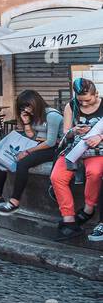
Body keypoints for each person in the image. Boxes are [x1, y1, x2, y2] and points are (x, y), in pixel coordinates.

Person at [0, 90, 62, 214]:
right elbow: (31, 136)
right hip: (38, 145)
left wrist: (27, 151)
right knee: (2, 156)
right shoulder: (33, 115)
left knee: (22, 163)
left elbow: (50, 142)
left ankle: (15, 201)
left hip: (55, 148)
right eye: (23, 107)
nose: (26, 109)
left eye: (28, 106)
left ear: (36, 102)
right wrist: (26, 122)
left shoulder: (52, 116)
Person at [51, 78, 103, 240]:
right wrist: (74, 131)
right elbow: (65, 133)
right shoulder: (71, 106)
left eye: (88, 100)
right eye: (81, 101)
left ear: (96, 94)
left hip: (97, 150)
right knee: (57, 177)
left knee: (94, 173)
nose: (84, 104)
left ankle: (88, 209)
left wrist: (100, 136)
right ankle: (69, 220)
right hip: (74, 149)